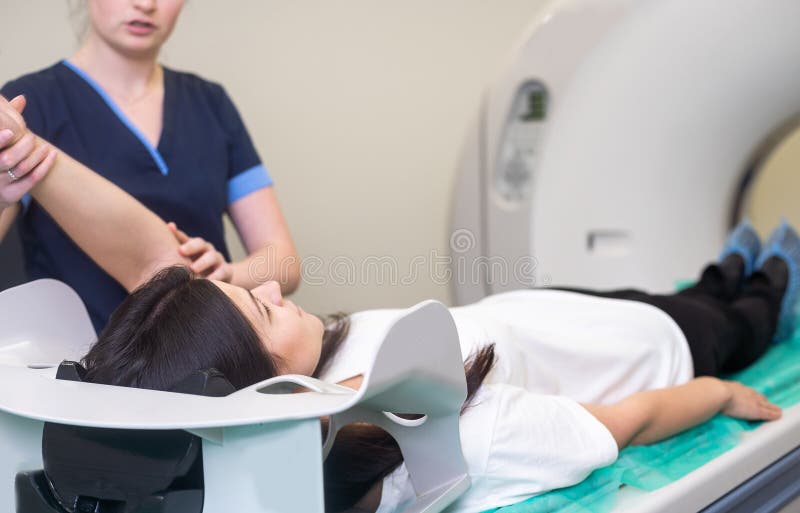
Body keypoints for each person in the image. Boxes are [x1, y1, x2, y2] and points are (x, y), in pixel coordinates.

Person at [0, 96, 794, 513]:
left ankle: (732, 267)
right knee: (741, 318)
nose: (275, 285)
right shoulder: (451, 430)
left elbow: (184, 270)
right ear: (262, 389)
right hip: (644, 348)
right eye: (264, 311)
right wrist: (723, 392)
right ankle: (765, 276)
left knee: (702, 284)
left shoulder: (326, 381)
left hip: (546, 308)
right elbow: (637, 417)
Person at [0, 0, 299, 332]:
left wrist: (227, 276)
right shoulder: (27, 105)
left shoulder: (210, 103)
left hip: (205, 355)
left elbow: (283, 261)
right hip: (83, 365)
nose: (145, 4)